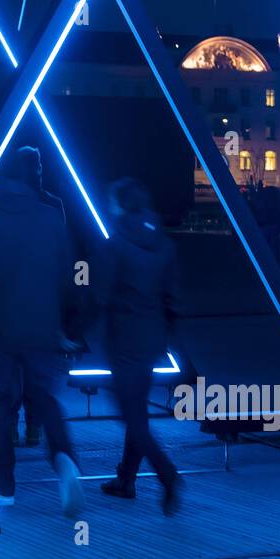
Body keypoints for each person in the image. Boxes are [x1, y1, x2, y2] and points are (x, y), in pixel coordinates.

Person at [0, 147, 83, 518]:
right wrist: (67, 327)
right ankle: (64, 459)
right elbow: (69, 277)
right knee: (46, 399)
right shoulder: (52, 218)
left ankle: (2, 486)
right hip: (42, 327)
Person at [89, 178, 182, 514]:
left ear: (119, 205)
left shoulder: (115, 246)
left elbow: (99, 296)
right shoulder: (165, 245)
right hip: (152, 339)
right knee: (136, 410)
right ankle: (125, 479)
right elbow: (173, 299)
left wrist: (77, 332)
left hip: (123, 340)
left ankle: (167, 473)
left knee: (130, 414)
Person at [8, 146, 66, 449]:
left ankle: (12, 427)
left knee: (12, 371)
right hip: (44, 302)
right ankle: (34, 428)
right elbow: (62, 254)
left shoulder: (5, 205)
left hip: (12, 302)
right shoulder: (53, 205)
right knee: (37, 371)